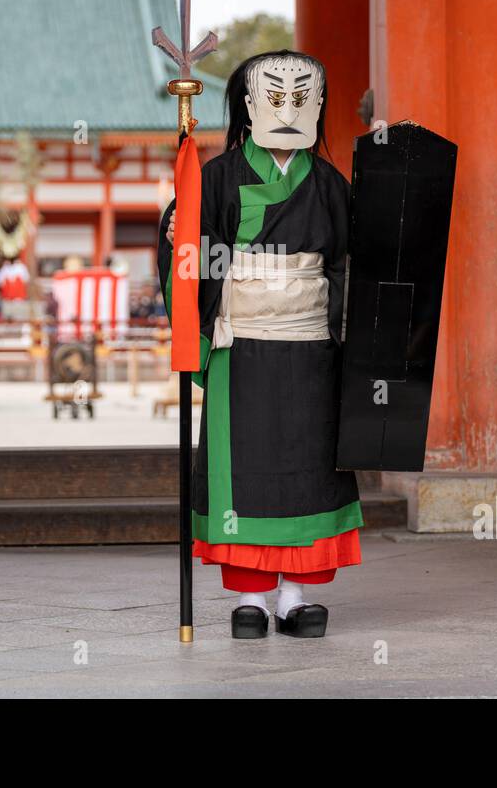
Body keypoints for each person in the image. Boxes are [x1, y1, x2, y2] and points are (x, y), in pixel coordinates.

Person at [157, 50, 362, 640]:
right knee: (242, 470)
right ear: (248, 105)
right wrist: (180, 236)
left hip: (310, 348)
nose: (288, 109)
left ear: (318, 106)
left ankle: (295, 597)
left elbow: (350, 265)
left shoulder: (331, 185)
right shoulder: (215, 179)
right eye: (275, 96)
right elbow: (193, 258)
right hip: (239, 347)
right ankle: (250, 597)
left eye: (301, 97)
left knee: (308, 467)